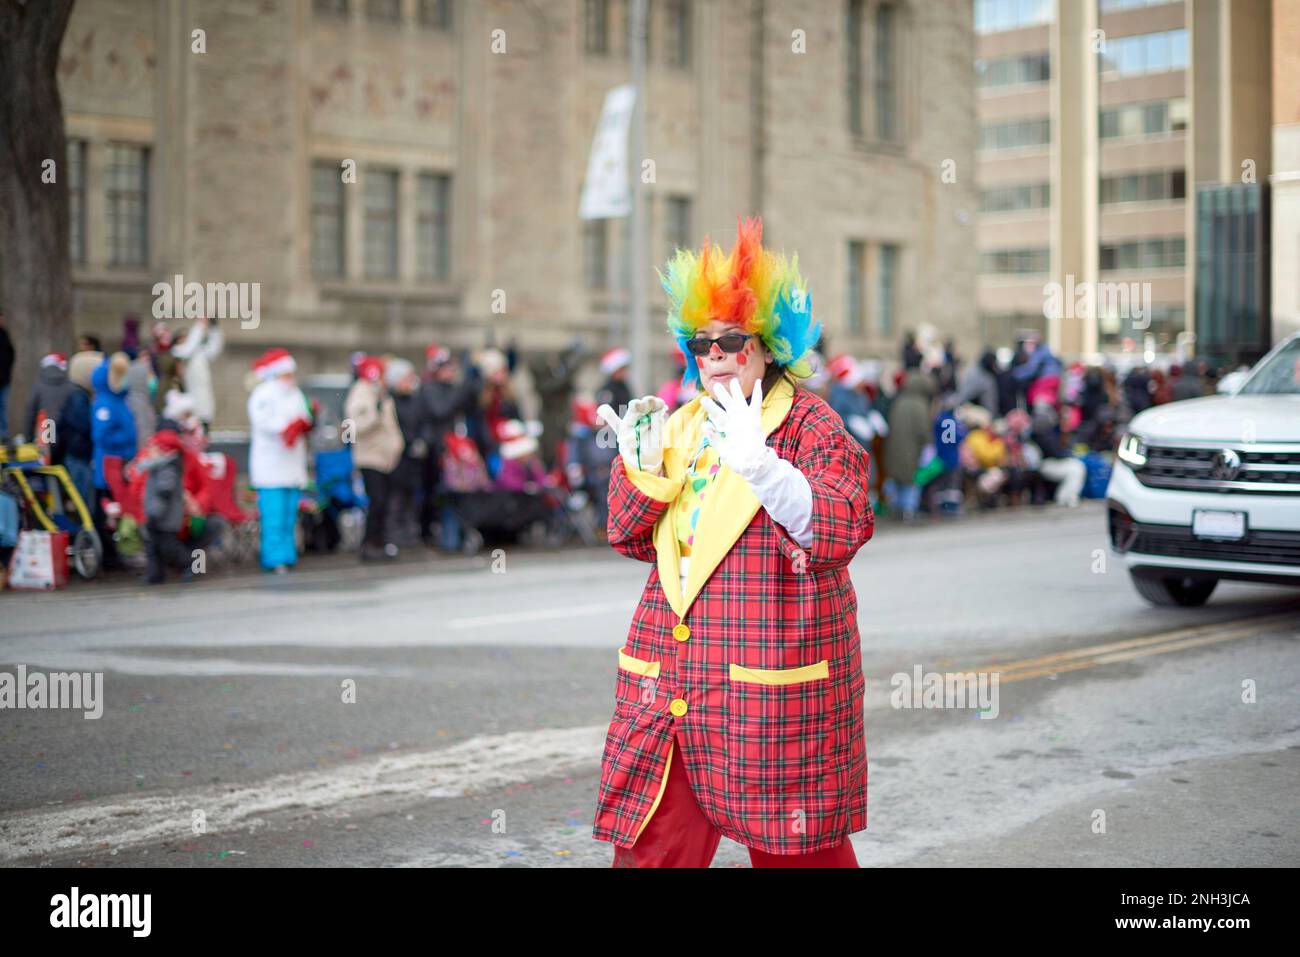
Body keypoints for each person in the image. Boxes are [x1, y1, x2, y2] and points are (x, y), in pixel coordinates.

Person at [592, 217, 873, 868]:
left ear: (770, 345)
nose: (715, 355)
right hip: (670, 688)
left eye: (732, 340)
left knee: (800, 853)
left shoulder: (809, 424)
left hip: (769, 688)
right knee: (652, 852)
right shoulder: (682, 424)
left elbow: (839, 526)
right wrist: (643, 469)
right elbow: (630, 539)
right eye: (702, 343)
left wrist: (767, 470)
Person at [247, 348, 313, 573]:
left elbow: (304, 416)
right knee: (273, 516)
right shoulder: (263, 394)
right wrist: (287, 428)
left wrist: (305, 423)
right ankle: (274, 557)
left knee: (289, 515)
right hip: (271, 466)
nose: (290, 378)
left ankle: (288, 553)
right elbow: (264, 422)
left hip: (292, 464)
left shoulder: (295, 394)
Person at [344, 355, 405, 561]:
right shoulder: (361, 393)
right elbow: (354, 426)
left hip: (386, 458)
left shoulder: (381, 393)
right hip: (370, 458)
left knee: (384, 503)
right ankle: (369, 545)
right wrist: (374, 414)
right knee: (376, 502)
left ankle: (380, 542)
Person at [884, 369, 935, 521]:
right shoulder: (921, 404)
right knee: (911, 480)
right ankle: (908, 510)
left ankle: (896, 507)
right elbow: (923, 430)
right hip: (912, 449)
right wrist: (929, 444)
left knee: (898, 478)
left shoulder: (899, 401)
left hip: (895, 447)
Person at [61, 350, 101, 511]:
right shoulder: (78, 397)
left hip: (77, 453)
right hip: (78, 454)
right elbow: (84, 424)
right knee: (84, 500)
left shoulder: (80, 394)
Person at [172, 316, 224, 430]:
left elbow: (214, 348)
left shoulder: (198, 354)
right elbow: (190, 346)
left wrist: (214, 328)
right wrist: (200, 325)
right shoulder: (178, 352)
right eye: (183, 338)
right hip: (185, 404)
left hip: (203, 402)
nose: (186, 340)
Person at [24, 353, 73, 445]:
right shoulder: (70, 385)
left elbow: (30, 413)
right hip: (67, 434)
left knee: (48, 458)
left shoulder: (38, 386)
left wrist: (28, 439)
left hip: (46, 432)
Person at [595, 346, 633, 414]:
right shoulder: (607, 389)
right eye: (622, 369)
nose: (625, 372)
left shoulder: (623, 387)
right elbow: (602, 416)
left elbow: (624, 409)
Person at [0, 307, 13, 438]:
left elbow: (10, 355)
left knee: (2, 408)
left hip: (3, 380)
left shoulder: (4, 334)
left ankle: (3, 435)